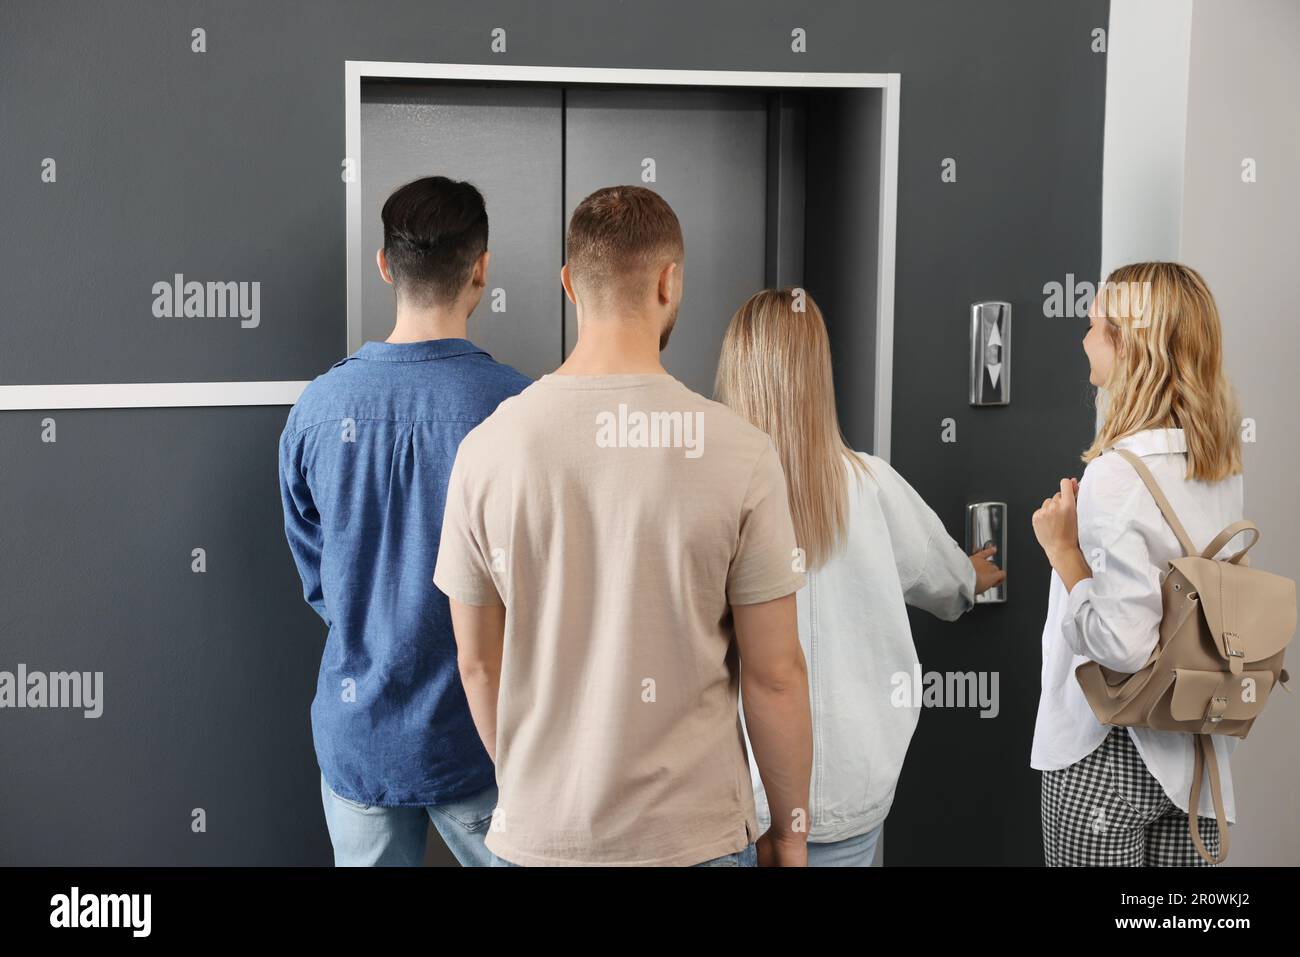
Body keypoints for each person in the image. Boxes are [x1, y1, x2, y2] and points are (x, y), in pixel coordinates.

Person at [433, 185, 813, 867]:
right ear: (670, 281)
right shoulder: (742, 453)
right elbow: (775, 674)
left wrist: (534, 784)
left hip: (541, 840)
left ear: (569, 286)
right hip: (693, 841)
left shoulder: (485, 451)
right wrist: (790, 829)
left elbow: (476, 661)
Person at [278, 176, 529, 866]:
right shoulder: (521, 411)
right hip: (486, 736)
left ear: (385, 265)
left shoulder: (317, 411)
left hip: (364, 733)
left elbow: (321, 579)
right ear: (482, 269)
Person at [714, 288, 1005, 867]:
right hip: (848, 798)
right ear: (818, 374)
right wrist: (972, 576)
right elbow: (950, 588)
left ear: (737, 372)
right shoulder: (873, 485)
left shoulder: (712, 493)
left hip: (736, 806)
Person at [1030, 262, 1244, 866]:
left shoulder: (1115, 475)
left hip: (1104, 750)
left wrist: (1062, 550)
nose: (1083, 340)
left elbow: (1120, 648)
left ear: (1130, 344)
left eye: (1095, 326)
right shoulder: (1219, 465)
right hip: (1196, 752)